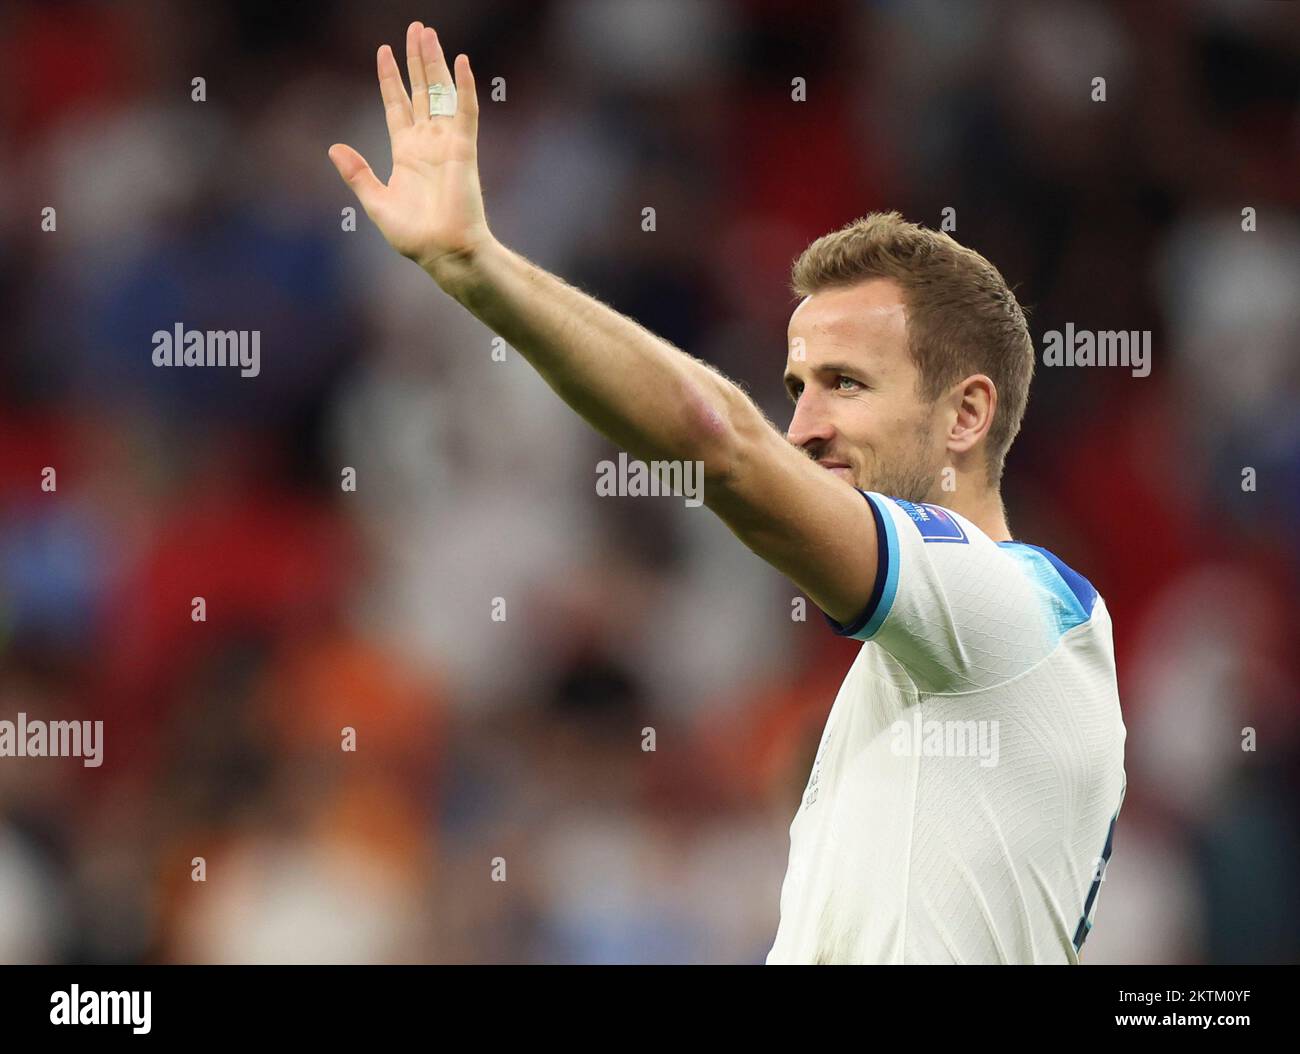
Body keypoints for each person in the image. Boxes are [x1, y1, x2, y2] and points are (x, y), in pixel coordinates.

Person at [329, 21, 1127, 964]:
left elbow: (723, 444)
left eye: (848, 383)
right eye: (797, 390)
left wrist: (481, 269)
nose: (805, 426)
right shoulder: (922, 682)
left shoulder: (1012, 609)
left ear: (966, 415)